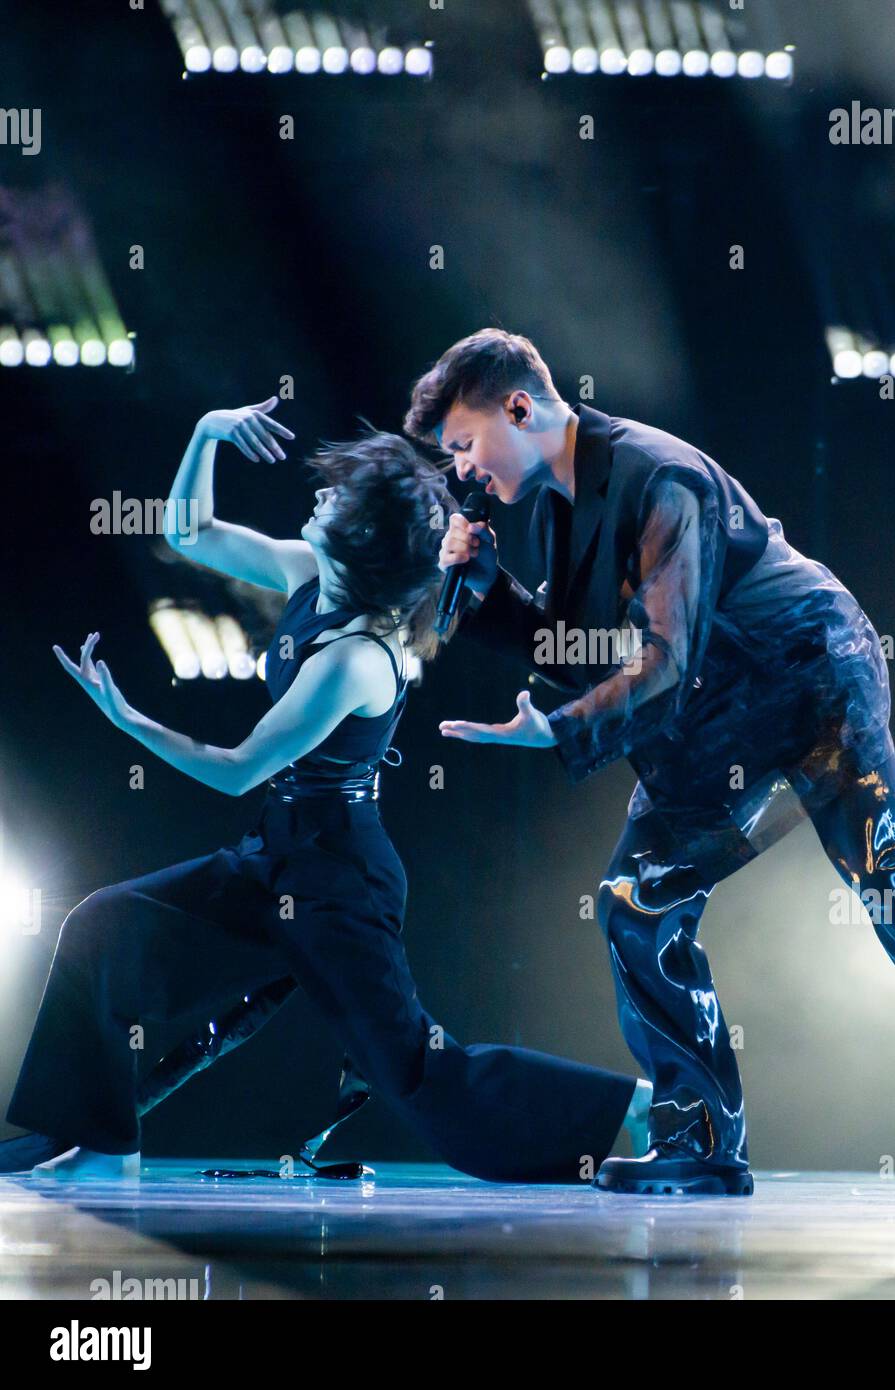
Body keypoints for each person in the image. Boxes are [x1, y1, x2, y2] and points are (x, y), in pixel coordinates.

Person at [405, 328, 895, 1200]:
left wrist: (560, 733)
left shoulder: (657, 476)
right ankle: (701, 1138)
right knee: (637, 904)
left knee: (894, 885)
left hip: (811, 680)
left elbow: (662, 659)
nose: (464, 473)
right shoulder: (561, 501)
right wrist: (486, 590)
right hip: (721, 713)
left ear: (518, 407)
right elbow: (587, 652)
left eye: (464, 445)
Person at [0, 397, 648, 1182]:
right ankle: (107, 1144)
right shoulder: (310, 573)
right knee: (103, 927)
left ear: (362, 536)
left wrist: (127, 718)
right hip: (275, 857)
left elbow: (238, 767)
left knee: (415, 1070)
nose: (318, 497)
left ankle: (633, 1106)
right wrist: (206, 432)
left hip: (338, 881)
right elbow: (186, 534)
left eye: (336, 497)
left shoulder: (358, 658)